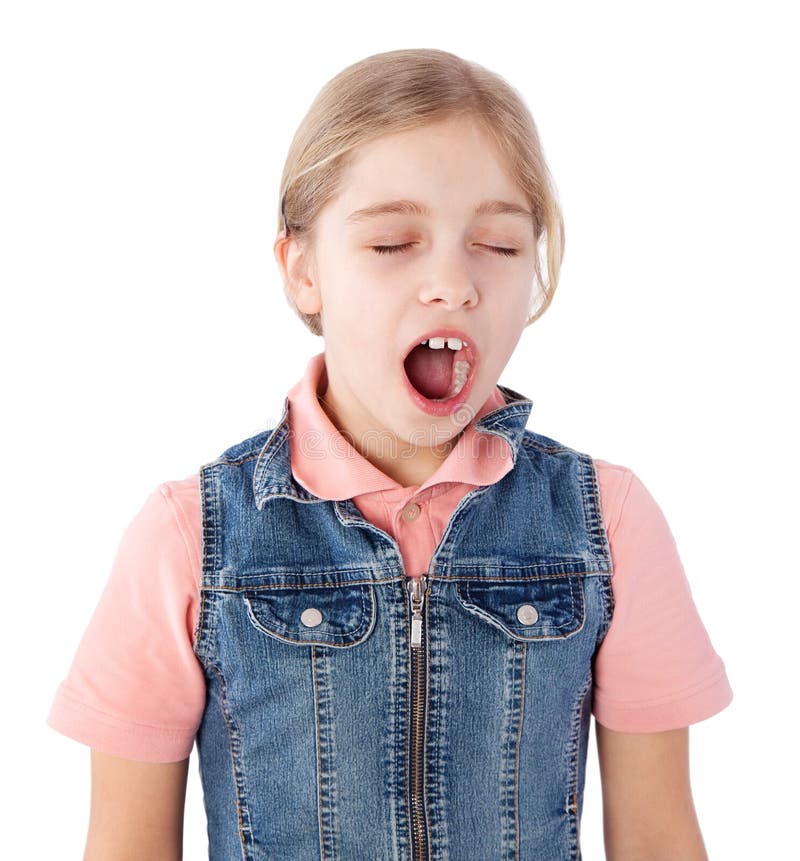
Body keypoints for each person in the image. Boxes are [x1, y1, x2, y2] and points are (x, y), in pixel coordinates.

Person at [47, 47, 733, 860]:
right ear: (303, 271)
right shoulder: (186, 536)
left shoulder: (607, 522)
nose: (453, 282)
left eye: (501, 245)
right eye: (392, 243)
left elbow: (658, 840)